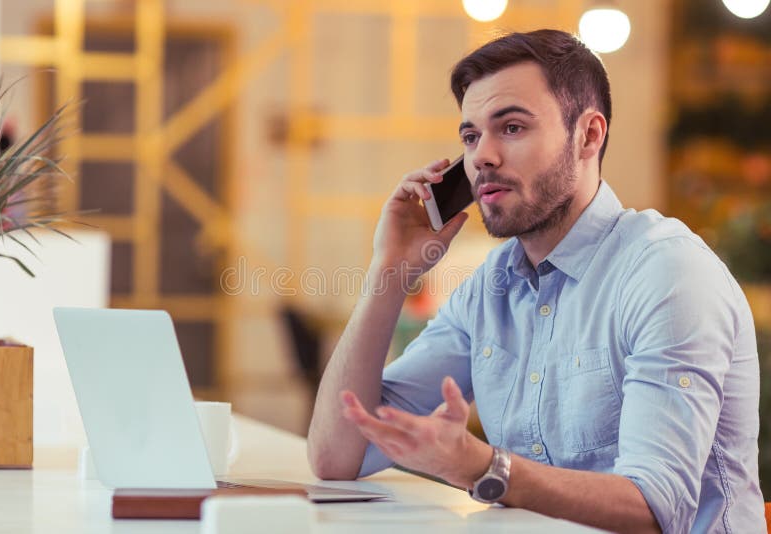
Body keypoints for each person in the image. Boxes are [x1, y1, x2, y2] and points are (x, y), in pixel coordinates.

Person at [306, 29, 764, 534]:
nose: (482, 157)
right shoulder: (491, 288)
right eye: (471, 136)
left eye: (513, 128)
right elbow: (337, 456)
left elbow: (655, 508)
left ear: (589, 135)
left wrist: (483, 468)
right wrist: (389, 272)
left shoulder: (667, 274)